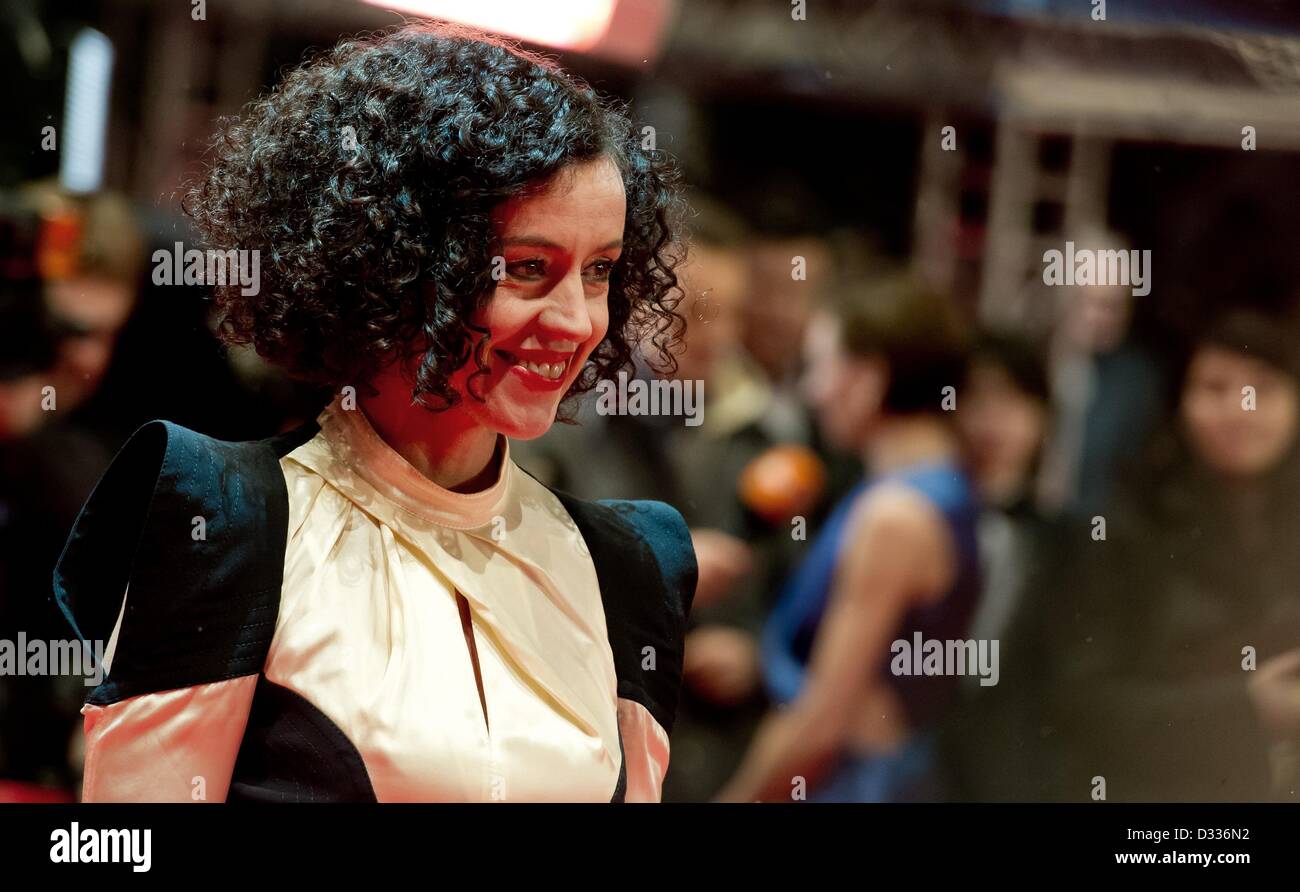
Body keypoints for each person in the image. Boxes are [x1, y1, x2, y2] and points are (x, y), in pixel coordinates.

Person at [52, 23, 697, 803]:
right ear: (392, 266)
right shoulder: (224, 520)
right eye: (528, 269)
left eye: (598, 271)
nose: (575, 320)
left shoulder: (632, 563)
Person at [716, 271, 981, 802]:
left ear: (869, 378)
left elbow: (823, 721)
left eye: (821, 365)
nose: (813, 390)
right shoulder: (935, 488)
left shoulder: (895, 516)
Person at [1042, 309, 1300, 801]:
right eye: (1214, 388)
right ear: (1178, 401)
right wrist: (1248, 709)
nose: (1239, 410)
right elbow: (1077, 703)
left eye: (1263, 389)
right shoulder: (1122, 525)